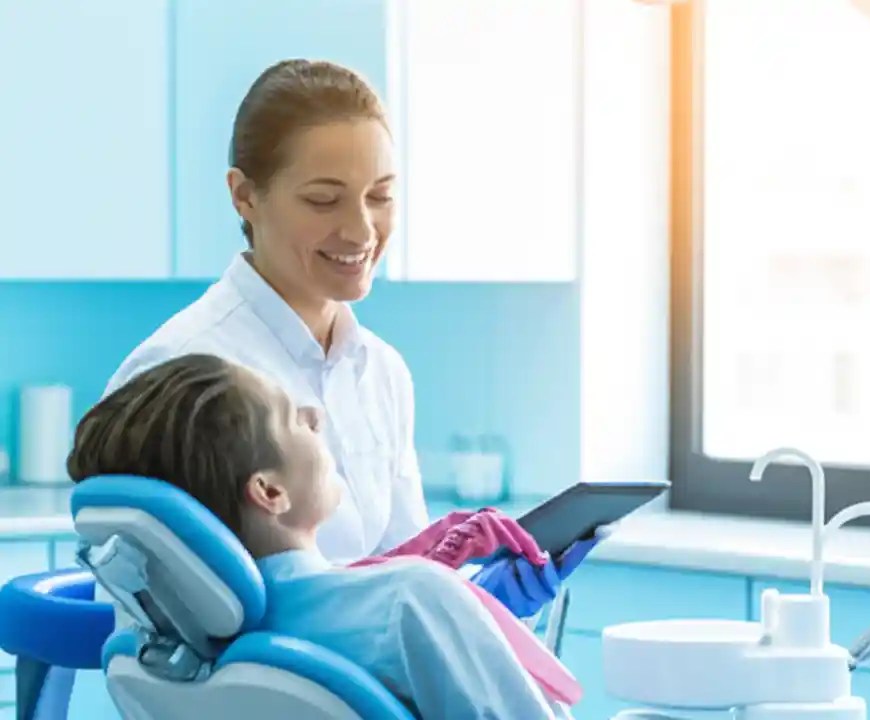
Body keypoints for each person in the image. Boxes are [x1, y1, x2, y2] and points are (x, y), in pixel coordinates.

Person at [105, 58, 586, 615]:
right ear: (245, 196)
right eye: (323, 200)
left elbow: (399, 582)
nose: (361, 230)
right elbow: (153, 624)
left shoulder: (382, 372)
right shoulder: (181, 369)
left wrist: (480, 598)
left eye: (380, 196)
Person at [69, 353, 577, 718]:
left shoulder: (164, 657)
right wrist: (452, 613)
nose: (315, 415)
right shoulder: (409, 603)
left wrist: (470, 614)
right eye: (292, 417)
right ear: (269, 491)